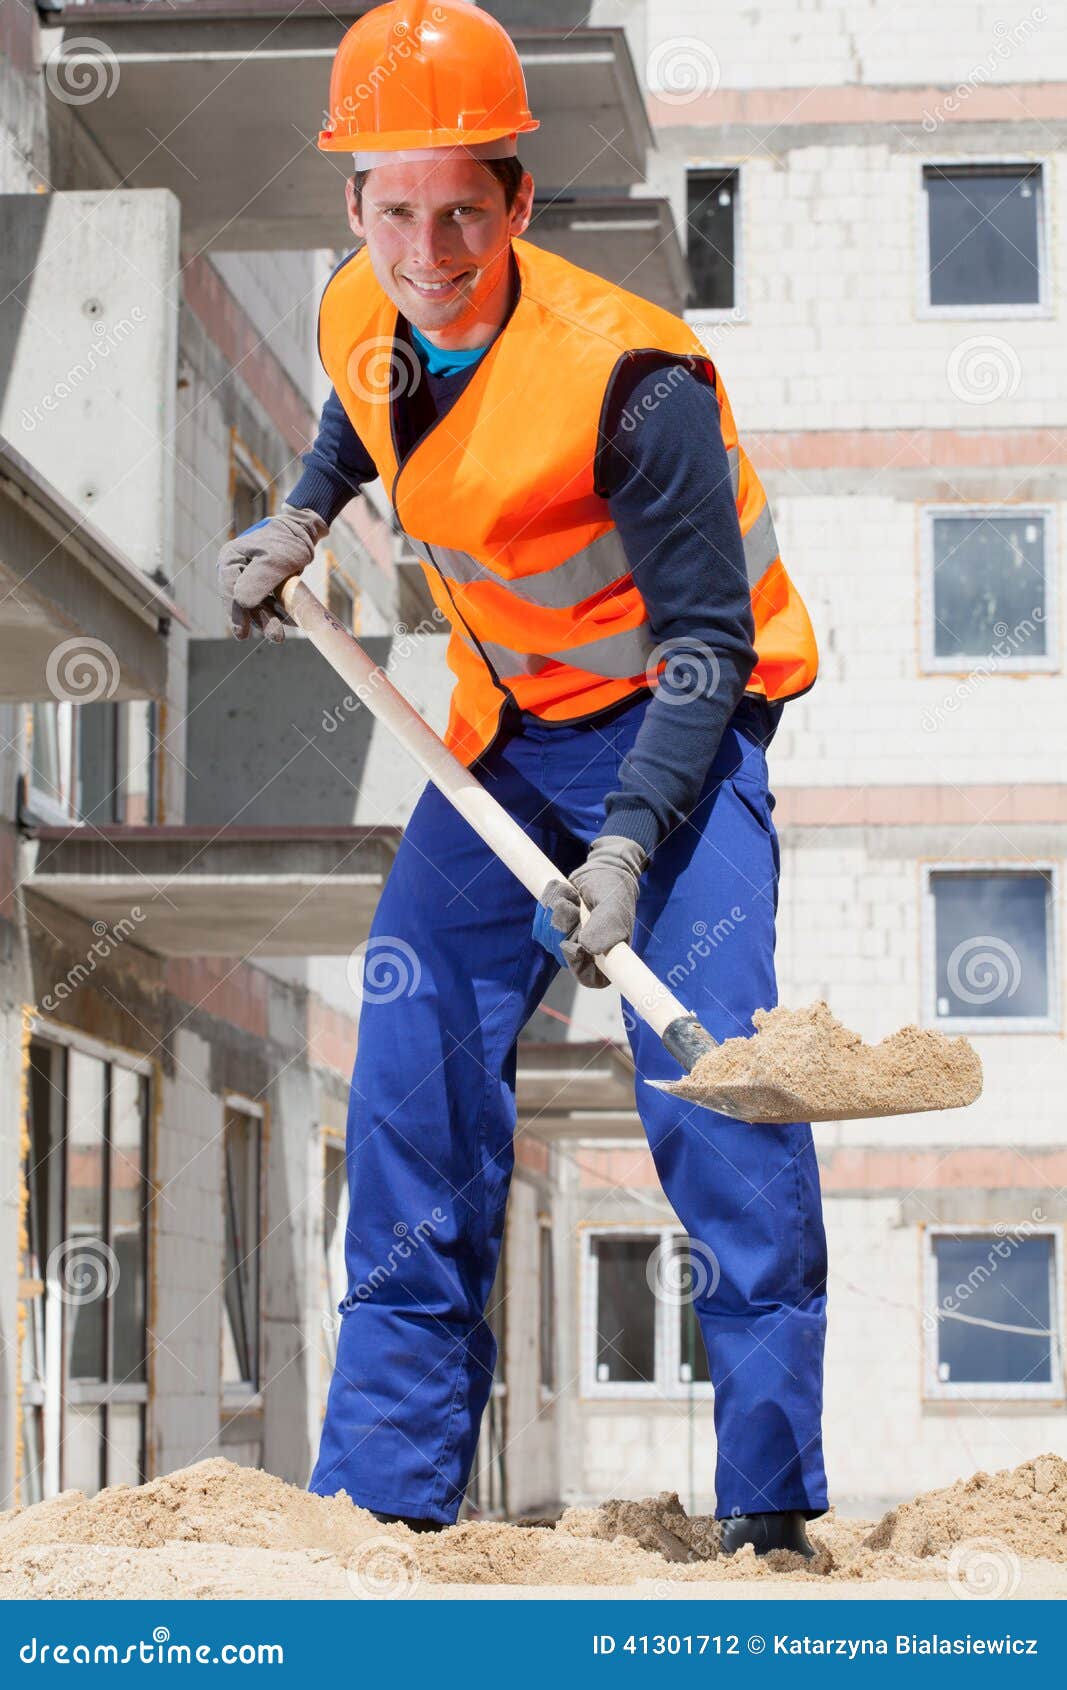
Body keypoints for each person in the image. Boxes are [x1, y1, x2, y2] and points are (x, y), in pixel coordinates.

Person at [217, 0, 827, 1556]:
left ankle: (766, 1510)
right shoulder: (361, 303)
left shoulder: (633, 381)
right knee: (413, 1045)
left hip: (677, 727)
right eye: (397, 211)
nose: (430, 249)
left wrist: (631, 848)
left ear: (521, 202)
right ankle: (390, 1498)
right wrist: (299, 512)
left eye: (463, 214)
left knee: (718, 1075)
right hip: (507, 736)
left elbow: (708, 647)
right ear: (354, 206)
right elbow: (371, 414)